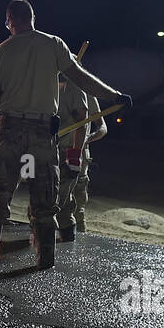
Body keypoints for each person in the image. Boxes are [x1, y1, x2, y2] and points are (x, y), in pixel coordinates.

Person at [0, 0, 131, 269]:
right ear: (33, 18)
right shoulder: (54, 44)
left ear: (10, 20)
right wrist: (115, 96)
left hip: (9, 128)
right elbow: (82, 78)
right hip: (41, 131)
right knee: (45, 199)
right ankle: (45, 260)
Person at [55, 67, 109, 241]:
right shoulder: (48, 89)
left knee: (77, 206)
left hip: (78, 155)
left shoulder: (84, 92)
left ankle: (80, 245)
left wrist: (89, 138)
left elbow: (102, 127)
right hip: (53, 151)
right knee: (52, 200)